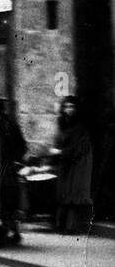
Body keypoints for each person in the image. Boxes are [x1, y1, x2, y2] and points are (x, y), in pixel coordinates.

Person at [51, 95, 93, 234]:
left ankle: (71, 226)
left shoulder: (80, 127)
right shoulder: (62, 123)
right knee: (63, 194)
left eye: (72, 107)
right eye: (66, 107)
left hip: (77, 164)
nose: (69, 110)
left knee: (73, 194)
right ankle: (61, 224)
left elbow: (79, 147)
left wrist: (60, 152)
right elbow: (59, 140)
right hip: (65, 163)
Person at [0, 96, 27, 244]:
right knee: (9, 199)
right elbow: (21, 146)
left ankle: (3, 231)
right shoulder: (9, 122)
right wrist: (15, 159)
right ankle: (13, 231)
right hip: (8, 167)